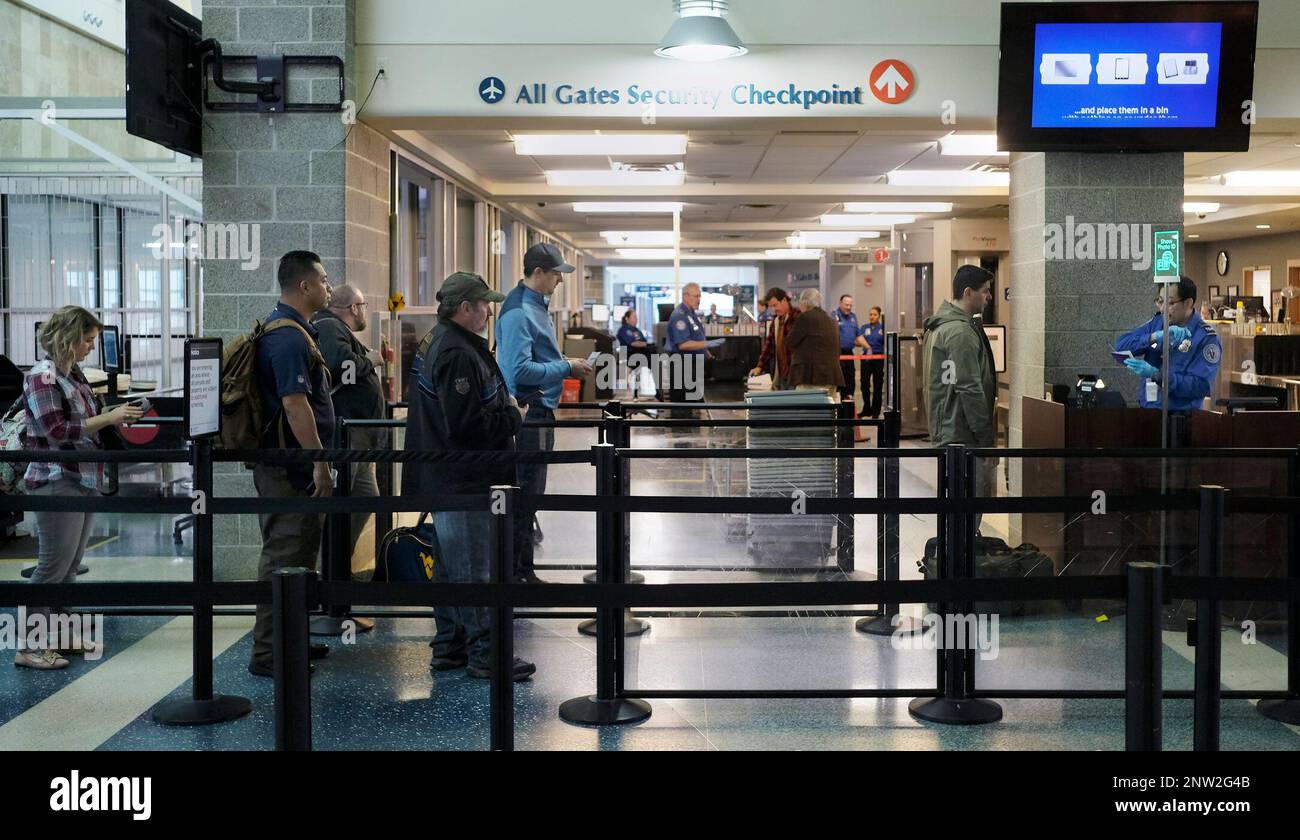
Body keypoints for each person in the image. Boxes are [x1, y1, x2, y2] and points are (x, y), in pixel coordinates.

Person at [403, 272, 534, 681]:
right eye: (483, 305)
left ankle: (450, 646)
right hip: (462, 478)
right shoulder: (457, 351)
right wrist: (513, 415)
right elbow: (466, 426)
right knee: (474, 568)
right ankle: (485, 654)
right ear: (464, 308)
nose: (488, 311)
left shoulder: (441, 340)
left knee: (449, 566)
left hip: (447, 477)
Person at [17, 307, 142, 669]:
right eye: (87, 340)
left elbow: (87, 420)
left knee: (70, 567)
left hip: (84, 478)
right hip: (57, 481)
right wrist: (111, 417)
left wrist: (113, 415)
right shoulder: (42, 378)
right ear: (68, 337)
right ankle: (28, 645)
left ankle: (56, 634)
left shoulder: (74, 375)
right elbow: (58, 432)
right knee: (51, 567)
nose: (90, 347)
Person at [248, 250, 335, 677]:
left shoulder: (298, 330)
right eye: (322, 279)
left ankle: (290, 641)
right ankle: (269, 653)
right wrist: (319, 463)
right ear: (305, 286)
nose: (328, 286)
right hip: (290, 471)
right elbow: (296, 405)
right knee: (283, 557)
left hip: (294, 469)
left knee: (299, 558)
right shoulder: (287, 338)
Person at [497, 243, 593, 584]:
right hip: (529, 413)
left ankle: (523, 571)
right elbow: (518, 371)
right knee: (524, 494)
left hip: (541, 410)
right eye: (556, 275)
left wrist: (560, 364)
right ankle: (515, 575)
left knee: (530, 495)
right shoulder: (520, 311)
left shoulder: (537, 306)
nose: (560, 282)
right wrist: (566, 366)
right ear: (537, 272)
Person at [311, 283, 384, 577]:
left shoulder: (337, 331)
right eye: (363, 305)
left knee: (366, 496)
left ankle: (339, 563)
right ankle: (331, 573)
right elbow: (341, 365)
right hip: (347, 436)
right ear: (354, 307)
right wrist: (371, 359)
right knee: (343, 503)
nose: (364, 310)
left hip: (359, 438)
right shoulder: (329, 326)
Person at [921, 265, 998, 529]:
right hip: (962, 433)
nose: (989, 297)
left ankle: (954, 563)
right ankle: (962, 567)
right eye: (985, 291)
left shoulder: (941, 327)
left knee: (955, 511)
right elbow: (970, 387)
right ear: (968, 293)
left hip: (949, 430)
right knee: (967, 512)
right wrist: (987, 439)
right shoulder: (960, 332)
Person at [1115, 276, 1221, 413]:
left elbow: (1199, 387)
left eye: (1170, 303)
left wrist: (1158, 376)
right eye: (1160, 301)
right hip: (1148, 411)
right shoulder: (1157, 323)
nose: (1163, 309)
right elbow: (1121, 346)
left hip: (1180, 417)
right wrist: (1153, 337)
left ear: (1188, 303)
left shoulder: (1206, 338)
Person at [663, 282, 720, 411]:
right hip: (682, 366)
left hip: (692, 366)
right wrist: (706, 344)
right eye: (695, 296)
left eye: (699, 296)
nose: (698, 299)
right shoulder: (680, 316)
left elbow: (696, 336)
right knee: (682, 409)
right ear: (685, 296)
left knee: (695, 407)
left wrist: (706, 352)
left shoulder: (691, 314)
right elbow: (683, 344)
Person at [786, 289, 845, 392]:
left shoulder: (805, 317)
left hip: (811, 378)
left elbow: (790, 342)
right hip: (832, 377)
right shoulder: (831, 320)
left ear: (804, 302)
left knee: (807, 407)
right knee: (828, 408)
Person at [749, 288, 801, 389]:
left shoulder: (798, 317)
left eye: (775, 305)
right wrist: (759, 366)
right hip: (781, 375)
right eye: (771, 306)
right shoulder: (776, 321)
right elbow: (768, 346)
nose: (774, 309)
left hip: (797, 374)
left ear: (785, 300)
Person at [857, 306, 886, 418]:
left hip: (879, 359)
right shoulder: (864, 327)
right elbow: (857, 341)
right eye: (870, 314)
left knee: (877, 385)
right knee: (864, 384)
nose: (872, 317)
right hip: (866, 358)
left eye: (874, 314)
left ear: (879, 316)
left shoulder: (883, 328)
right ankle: (866, 409)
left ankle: (875, 411)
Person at [832, 294, 860, 404]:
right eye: (846, 305)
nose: (848, 307)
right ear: (840, 304)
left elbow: (858, 335)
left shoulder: (853, 317)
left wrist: (868, 348)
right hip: (837, 354)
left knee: (850, 381)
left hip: (849, 353)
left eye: (850, 305)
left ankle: (849, 405)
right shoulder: (834, 315)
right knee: (839, 382)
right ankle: (839, 410)